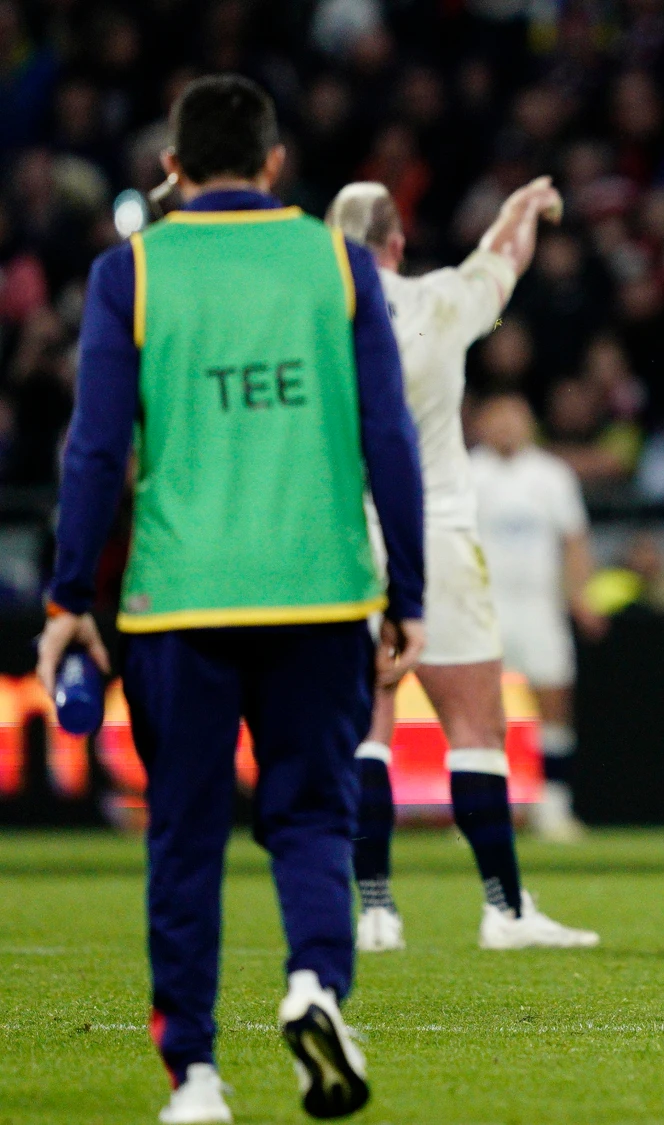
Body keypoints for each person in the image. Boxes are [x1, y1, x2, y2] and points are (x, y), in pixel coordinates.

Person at [39, 75, 424, 1123]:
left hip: (178, 598)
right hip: (320, 588)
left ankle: (198, 1079)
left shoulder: (133, 271)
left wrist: (70, 592)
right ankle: (312, 986)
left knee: (185, 836)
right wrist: (410, 594)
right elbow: (388, 436)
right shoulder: (336, 265)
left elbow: (96, 447)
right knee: (310, 819)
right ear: (274, 164)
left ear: (170, 172)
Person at [327, 178, 599, 952]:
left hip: (344, 541)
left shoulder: (306, 318)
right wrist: (518, 212)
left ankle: (376, 910)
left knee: (366, 729)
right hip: (436, 533)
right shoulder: (438, 303)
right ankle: (504, 910)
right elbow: (502, 262)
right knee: (475, 727)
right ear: (398, 243)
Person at [470, 392, 607, 841]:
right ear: (483, 424)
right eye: (499, 418)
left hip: (538, 606)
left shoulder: (551, 475)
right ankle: (485, 805)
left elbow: (574, 540)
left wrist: (580, 597)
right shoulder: (468, 473)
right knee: (479, 709)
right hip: (484, 607)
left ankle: (553, 807)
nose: (507, 427)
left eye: (516, 417)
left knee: (554, 702)